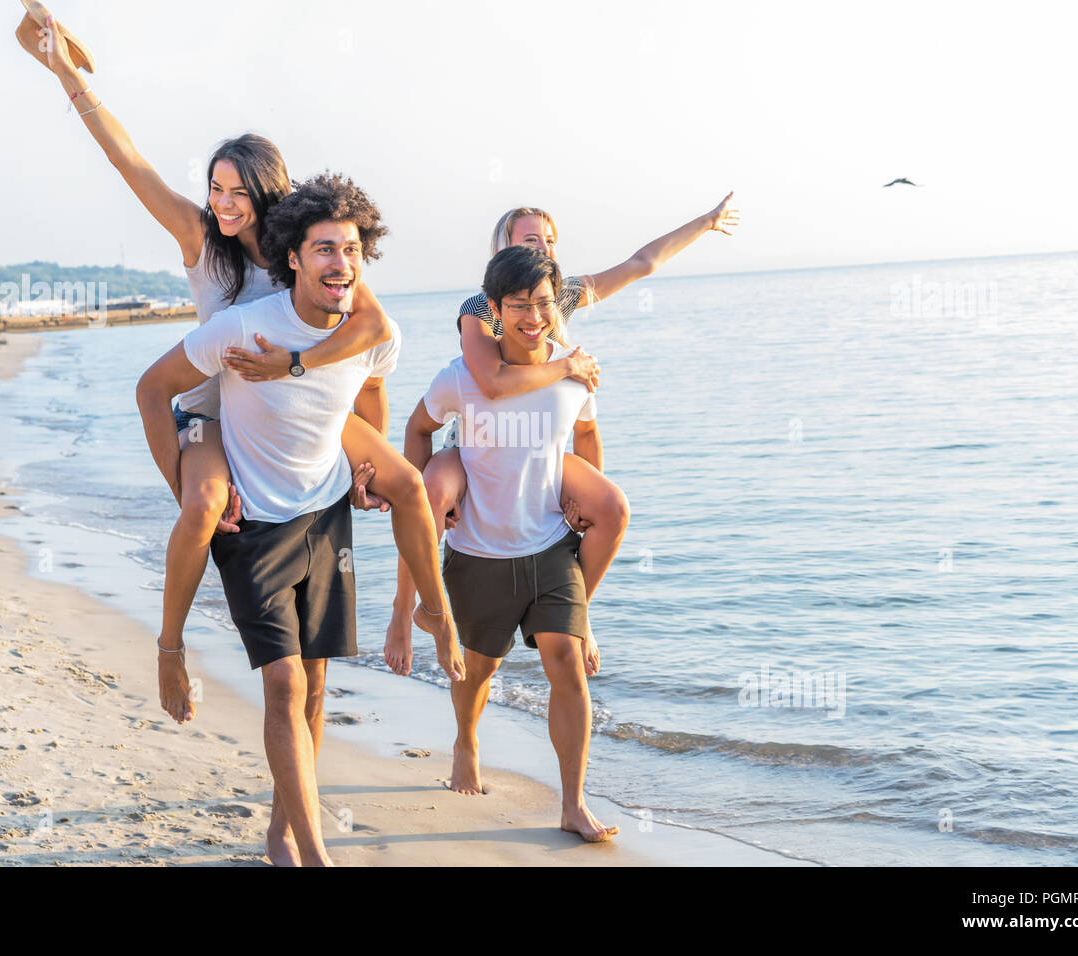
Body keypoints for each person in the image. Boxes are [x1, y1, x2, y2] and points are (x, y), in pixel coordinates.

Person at [24, 17, 414, 725]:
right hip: (210, 411)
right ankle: (170, 648)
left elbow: (373, 339)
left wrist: (309, 384)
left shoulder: (308, 250)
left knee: (406, 485)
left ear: (269, 191)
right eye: (215, 188)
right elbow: (128, 162)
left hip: (295, 408)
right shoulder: (202, 239)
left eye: (237, 190)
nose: (224, 203)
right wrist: (66, 75)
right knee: (204, 508)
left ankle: (426, 626)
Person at [137, 173, 466, 865]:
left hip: (322, 521)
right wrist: (182, 483)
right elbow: (153, 387)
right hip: (253, 523)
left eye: (348, 249)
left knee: (315, 685)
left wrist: (362, 474)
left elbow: (372, 392)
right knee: (285, 683)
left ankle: (285, 833)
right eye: (323, 249)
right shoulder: (242, 329)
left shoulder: (373, 332)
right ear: (293, 257)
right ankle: (314, 854)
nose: (338, 263)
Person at [385, 196, 740, 679]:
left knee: (609, 507)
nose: (544, 248)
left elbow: (642, 263)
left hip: (541, 442)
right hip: (476, 441)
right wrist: (568, 365)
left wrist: (707, 222)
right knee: (427, 496)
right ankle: (408, 611)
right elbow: (492, 383)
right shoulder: (480, 308)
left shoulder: (563, 295)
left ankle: (578, 614)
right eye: (531, 239)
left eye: (550, 240)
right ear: (502, 251)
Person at [405, 245, 618, 841]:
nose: (534, 317)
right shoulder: (460, 377)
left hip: (550, 545)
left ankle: (573, 802)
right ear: (495, 310)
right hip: (479, 552)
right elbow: (418, 427)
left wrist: (581, 499)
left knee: (567, 666)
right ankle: (466, 743)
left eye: (544, 303)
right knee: (479, 670)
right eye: (519, 305)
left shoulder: (575, 371)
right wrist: (423, 490)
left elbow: (588, 434)